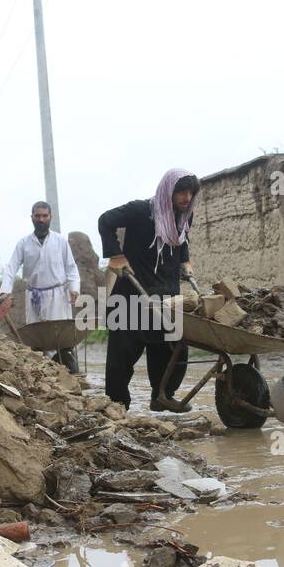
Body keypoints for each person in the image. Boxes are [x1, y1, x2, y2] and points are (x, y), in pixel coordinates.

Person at [98, 168, 199, 410]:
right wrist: (116, 255)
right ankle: (116, 405)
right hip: (133, 292)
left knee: (172, 347)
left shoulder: (185, 216)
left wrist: (184, 260)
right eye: (181, 192)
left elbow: (181, 239)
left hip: (167, 293)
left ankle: (162, 395)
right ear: (168, 191)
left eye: (191, 192)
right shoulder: (141, 211)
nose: (187, 197)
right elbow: (105, 220)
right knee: (122, 354)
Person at [0, 201, 82, 373]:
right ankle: (41, 375)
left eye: (45, 216)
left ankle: (71, 374)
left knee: (61, 340)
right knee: (37, 339)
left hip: (58, 295)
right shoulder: (24, 243)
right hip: (34, 296)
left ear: (50, 217)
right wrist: (5, 291)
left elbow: (71, 268)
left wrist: (74, 289)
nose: (41, 219)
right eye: (38, 216)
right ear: (32, 218)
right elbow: (11, 268)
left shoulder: (60, 241)